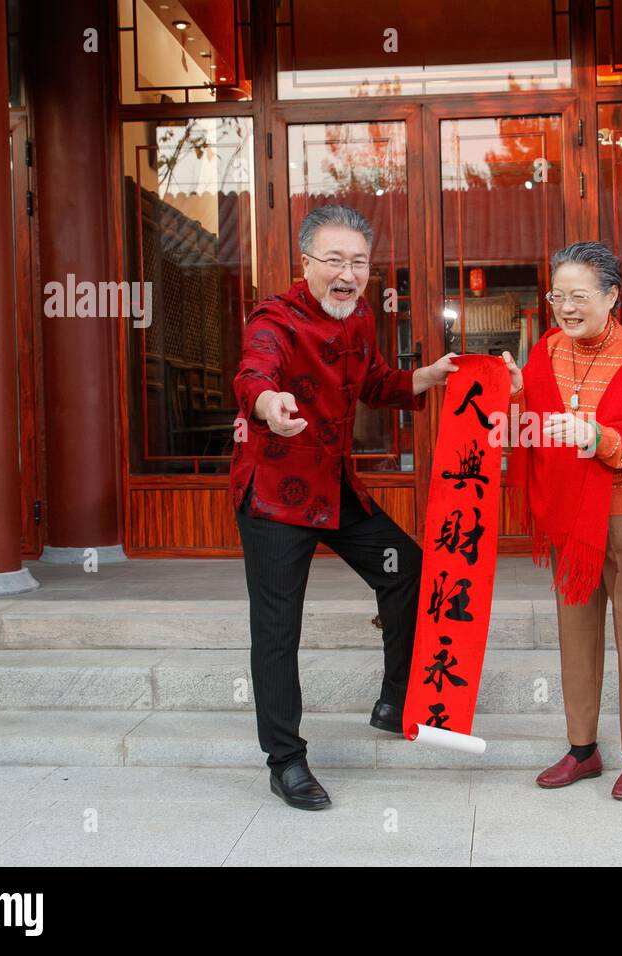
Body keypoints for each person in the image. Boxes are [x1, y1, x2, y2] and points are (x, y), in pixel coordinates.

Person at [230, 204, 459, 810]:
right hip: (277, 495)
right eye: (334, 260)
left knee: (404, 568)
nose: (348, 273)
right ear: (305, 263)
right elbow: (255, 372)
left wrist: (428, 376)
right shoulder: (273, 318)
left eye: (358, 262)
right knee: (278, 629)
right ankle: (286, 761)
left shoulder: (358, 317)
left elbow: (377, 382)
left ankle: (393, 700)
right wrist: (268, 403)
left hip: (334, 488)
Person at [502, 241, 622, 800]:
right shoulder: (546, 349)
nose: (566, 307)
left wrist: (595, 436)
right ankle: (582, 749)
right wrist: (514, 390)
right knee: (575, 629)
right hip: (573, 513)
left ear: (612, 296)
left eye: (579, 296)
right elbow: (531, 421)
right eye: (558, 295)